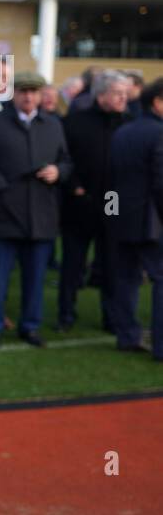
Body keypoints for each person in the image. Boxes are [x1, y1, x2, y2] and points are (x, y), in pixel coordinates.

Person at [0, 71, 72, 347]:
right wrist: (2, 187)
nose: (28, 96)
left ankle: (30, 326)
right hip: (3, 214)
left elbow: (66, 161)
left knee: (35, 278)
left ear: (40, 95)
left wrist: (58, 171)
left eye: (33, 92)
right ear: (13, 93)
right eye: (23, 91)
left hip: (41, 214)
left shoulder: (53, 126)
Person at [57, 69, 130, 332]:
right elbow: (63, 157)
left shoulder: (128, 123)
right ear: (102, 95)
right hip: (79, 205)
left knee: (111, 265)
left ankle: (111, 317)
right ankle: (65, 314)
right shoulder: (74, 122)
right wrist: (75, 187)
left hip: (114, 205)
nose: (124, 98)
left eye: (126, 93)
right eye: (118, 93)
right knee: (72, 265)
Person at [105, 78, 163, 360]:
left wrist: (111, 217)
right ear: (157, 103)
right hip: (151, 222)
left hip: (122, 220)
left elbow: (111, 179)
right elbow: (161, 184)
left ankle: (126, 335)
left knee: (126, 278)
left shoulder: (122, 132)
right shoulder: (159, 133)